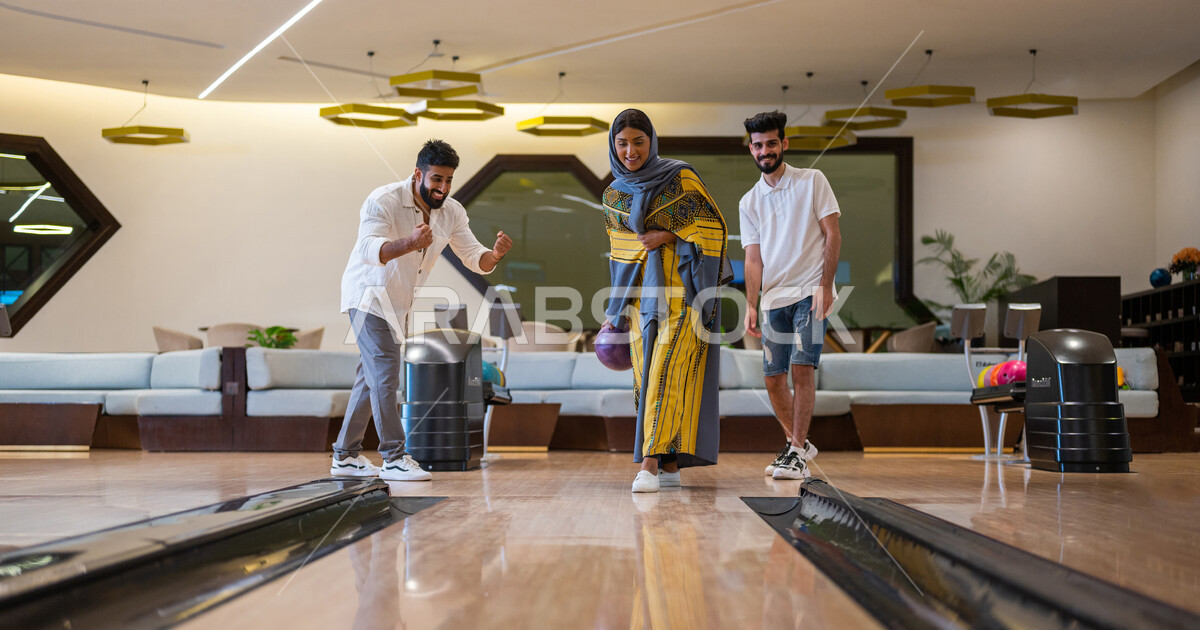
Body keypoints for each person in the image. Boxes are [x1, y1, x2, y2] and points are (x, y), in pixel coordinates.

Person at [333, 139, 512, 481]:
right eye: (436, 179)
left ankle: (345, 455)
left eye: (448, 180)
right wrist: (410, 243)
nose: (442, 188)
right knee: (386, 372)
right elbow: (371, 249)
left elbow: (475, 257)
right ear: (419, 173)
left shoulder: (452, 212)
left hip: (399, 303)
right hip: (368, 297)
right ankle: (395, 457)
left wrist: (497, 254)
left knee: (370, 379)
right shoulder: (383, 200)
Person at [601, 109, 730, 493]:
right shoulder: (614, 196)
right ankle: (671, 462)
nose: (630, 151)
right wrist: (614, 315)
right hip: (641, 304)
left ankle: (650, 464)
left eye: (638, 142)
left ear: (652, 141)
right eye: (622, 143)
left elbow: (715, 231)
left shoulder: (680, 179)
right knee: (645, 383)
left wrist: (670, 235)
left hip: (685, 299)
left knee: (666, 374)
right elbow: (621, 260)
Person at [740, 111, 841, 480]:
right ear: (750, 149)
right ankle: (797, 444)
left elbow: (832, 234)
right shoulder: (749, 202)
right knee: (772, 377)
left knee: (801, 369)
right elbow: (753, 258)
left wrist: (825, 285)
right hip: (773, 301)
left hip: (809, 295)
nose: (764, 150)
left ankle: (796, 451)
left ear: (784, 144)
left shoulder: (812, 181)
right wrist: (751, 304)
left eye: (771, 143)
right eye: (758, 145)